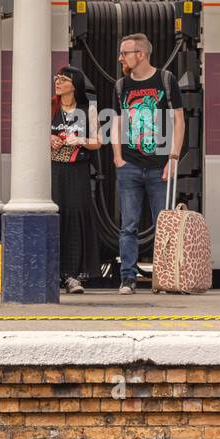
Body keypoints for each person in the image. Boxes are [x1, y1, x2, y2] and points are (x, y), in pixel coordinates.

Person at [111, 33, 185, 294]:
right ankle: (127, 278)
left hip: (159, 166)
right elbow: (117, 122)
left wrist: (173, 158)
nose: (121, 58)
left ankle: (164, 277)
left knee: (163, 225)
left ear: (140, 54)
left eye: (125, 53)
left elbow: (179, 120)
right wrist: (117, 158)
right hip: (129, 165)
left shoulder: (165, 80)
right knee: (128, 225)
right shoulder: (121, 86)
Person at [51, 65, 102, 294]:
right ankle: (52, 272)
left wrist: (80, 141)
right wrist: (49, 137)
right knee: (54, 216)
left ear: (75, 84)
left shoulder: (87, 109)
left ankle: (72, 276)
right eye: (57, 78)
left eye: (63, 79)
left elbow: (98, 142)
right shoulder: (50, 107)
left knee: (75, 217)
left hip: (78, 169)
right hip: (54, 168)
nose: (58, 82)